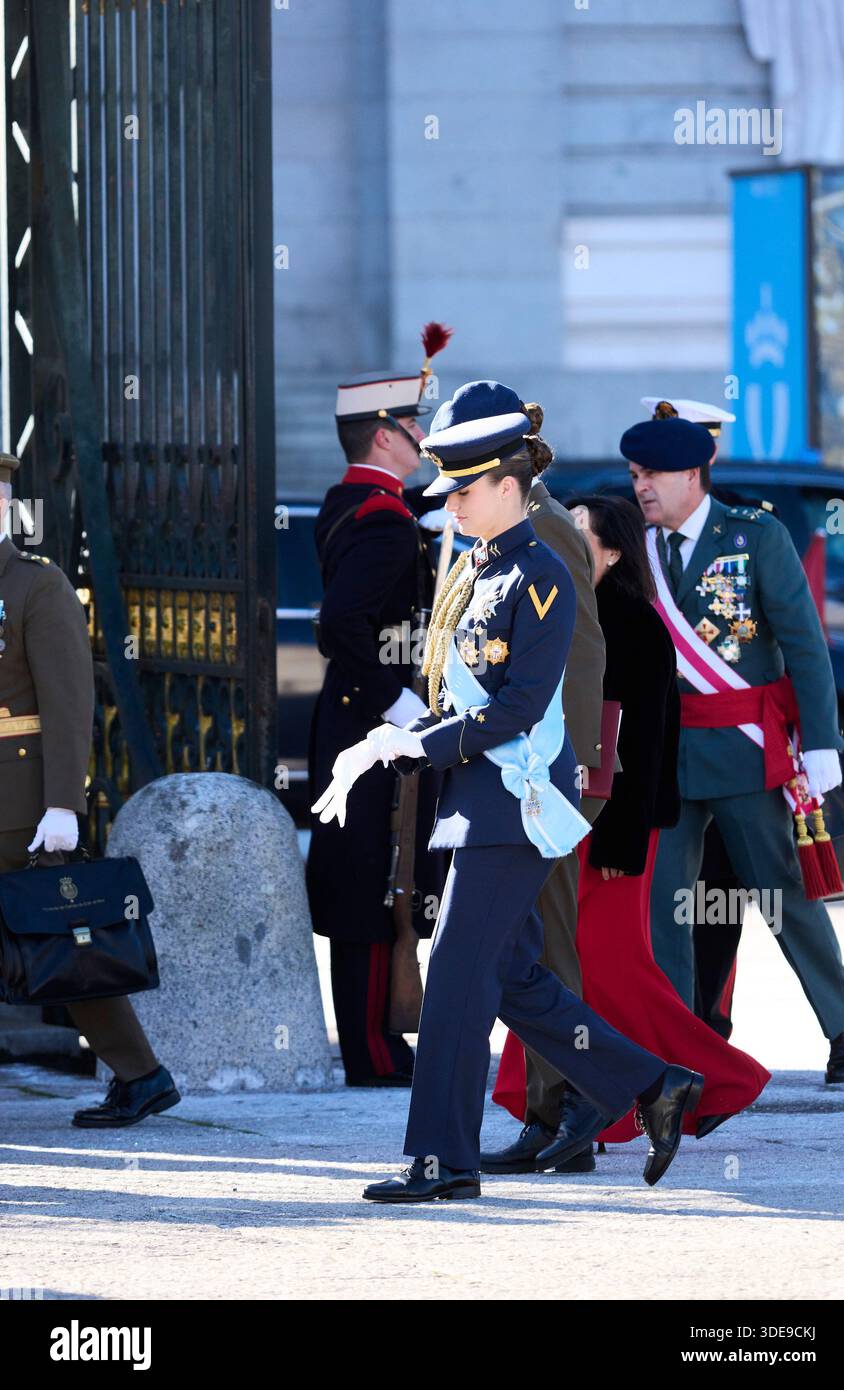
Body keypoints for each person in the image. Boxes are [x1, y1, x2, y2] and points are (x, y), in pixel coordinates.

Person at [312, 383, 704, 1202]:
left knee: (457, 984)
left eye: (461, 488)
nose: (447, 502)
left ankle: (440, 1161)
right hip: (477, 802)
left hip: (515, 804)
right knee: (516, 979)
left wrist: (404, 743)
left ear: (506, 486)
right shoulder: (480, 567)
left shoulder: (541, 574)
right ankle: (651, 1083)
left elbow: (519, 706)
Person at [492, 494, 771, 1152]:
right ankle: (579, 1109)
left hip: (614, 831)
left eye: (577, 534)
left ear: (612, 551)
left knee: (613, 972)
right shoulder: (560, 612)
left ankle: (701, 1081)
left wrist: (620, 837)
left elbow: (645, 745)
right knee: (564, 967)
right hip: (568, 820)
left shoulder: (634, 622)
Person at [623, 415, 844, 1088]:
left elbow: (806, 646)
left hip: (744, 752)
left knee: (782, 892)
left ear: (691, 475)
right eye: (635, 475)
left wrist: (821, 742)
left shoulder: (755, 538)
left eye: (651, 476)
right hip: (667, 757)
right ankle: (680, 1044)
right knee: (666, 905)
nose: (640, 487)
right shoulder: (636, 548)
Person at [0, 453, 179, 1127]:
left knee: (57, 944)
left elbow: (68, 702)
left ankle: (141, 1074)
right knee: (50, 946)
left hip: (17, 801)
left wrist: (62, 805)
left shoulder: (34, 587)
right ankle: (142, 1074)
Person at [306, 329, 450, 1087]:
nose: (423, 437)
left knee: (382, 874)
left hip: (357, 717)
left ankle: (378, 1044)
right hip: (374, 720)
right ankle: (372, 1049)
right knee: (375, 881)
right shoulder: (386, 523)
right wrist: (396, 702)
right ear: (384, 435)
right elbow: (340, 625)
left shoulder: (362, 504)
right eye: (413, 427)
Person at [476, 397, 607, 1177]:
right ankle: (550, 1113)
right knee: (521, 942)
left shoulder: (546, 525)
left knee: (546, 944)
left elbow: (583, 652)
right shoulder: (503, 527)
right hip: (511, 764)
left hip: (545, 770)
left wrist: (574, 769)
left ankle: (574, 1110)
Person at [641, 397, 747, 1040]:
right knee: (663, 901)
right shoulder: (637, 532)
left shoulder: (743, 528)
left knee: (724, 892)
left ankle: (711, 1017)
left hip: (731, 742)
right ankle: (677, 1027)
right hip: (664, 745)